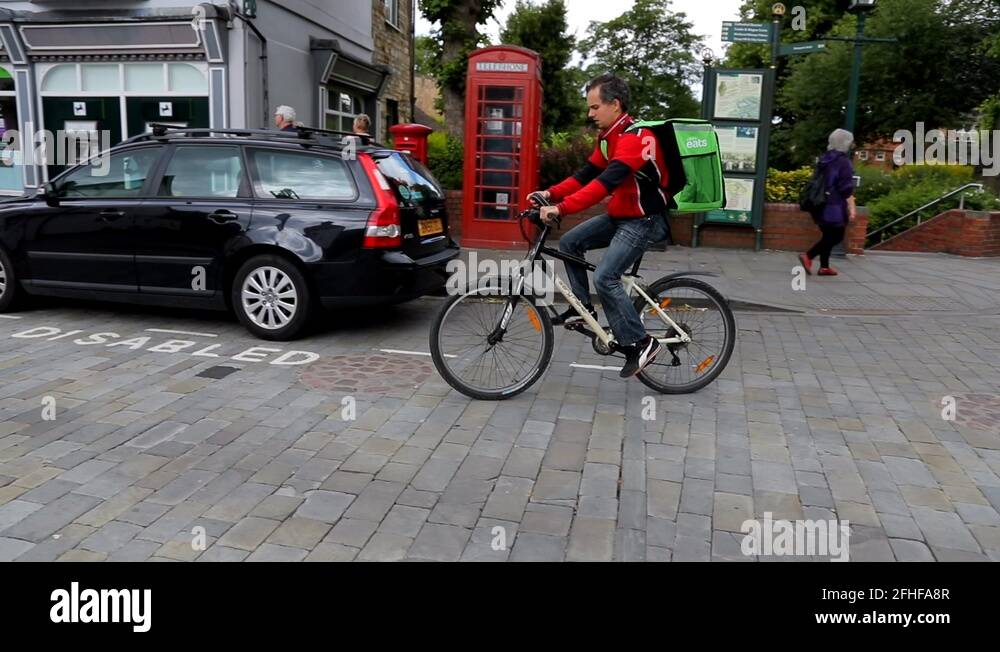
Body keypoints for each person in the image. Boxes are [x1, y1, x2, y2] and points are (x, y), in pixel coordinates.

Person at [527, 73, 670, 379]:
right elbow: (584, 176)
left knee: (606, 277)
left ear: (615, 105)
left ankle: (643, 343)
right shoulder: (607, 139)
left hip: (644, 218)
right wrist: (549, 194)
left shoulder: (636, 138)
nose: (590, 114)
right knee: (570, 243)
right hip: (621, 215)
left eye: (594, 107)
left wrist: (560, 208)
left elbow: (604, 184)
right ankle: (584, 311)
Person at [800, 128, 857, 276]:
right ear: (845, 143)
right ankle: (809, 256)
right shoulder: (843, 161)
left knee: (827, 235)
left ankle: (824, 267)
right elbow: (845, 187)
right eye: (850, 141)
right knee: (836, 236)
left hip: (819, 203)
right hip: (834, 205)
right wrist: (851, 205)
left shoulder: (825, 158)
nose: (852, 144)